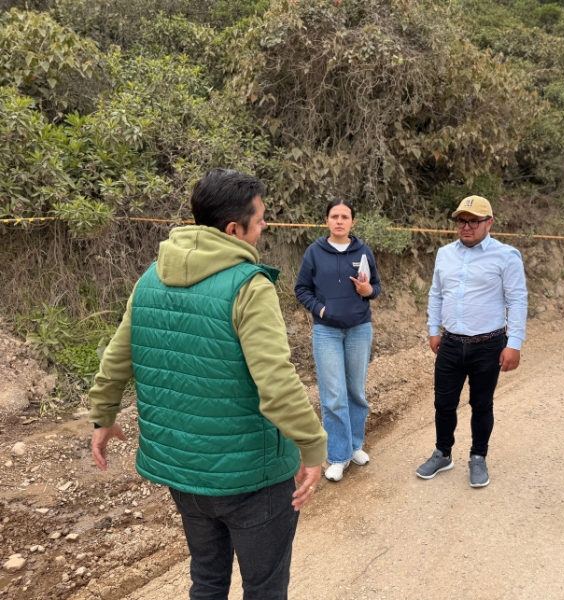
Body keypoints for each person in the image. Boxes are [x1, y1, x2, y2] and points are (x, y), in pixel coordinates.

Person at [88, 168, 327, 599]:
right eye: (260, 219)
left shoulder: (150, 277)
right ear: (234, 229)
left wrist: (103, 415)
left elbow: (117, 357)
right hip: (250, 476)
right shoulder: (249, 286)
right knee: (265, 586)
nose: (266, 225)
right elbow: (276, 383)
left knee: (207, 579)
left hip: (184, 474)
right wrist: (312, 446)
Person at [417, 195, 528, 488]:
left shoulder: (506, 256)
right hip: (451, 343)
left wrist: (514, 343)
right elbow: (436, 293)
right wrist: (433, 329)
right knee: (443, 403)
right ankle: (443, 453)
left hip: (489, 345)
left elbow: (517, 300)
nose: (466, 227)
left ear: (488, 223)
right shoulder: (444, 254)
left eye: (474, 221)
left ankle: (478, 457)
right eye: (461, 221)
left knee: (481, 405)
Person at [294, 199, 381, 483]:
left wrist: (369, 290)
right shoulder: (315, 252)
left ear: (352, 222)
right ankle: (338, 456)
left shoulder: (363, 250)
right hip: (326, 332)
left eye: (345, 217)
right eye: (334, 216)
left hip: (359, 329)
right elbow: (302, 289)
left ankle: (355, 445)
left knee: (356, 392)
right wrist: (321, 310)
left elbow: (375, 287)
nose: (340, 221)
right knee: (333, 396)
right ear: (327, 221)